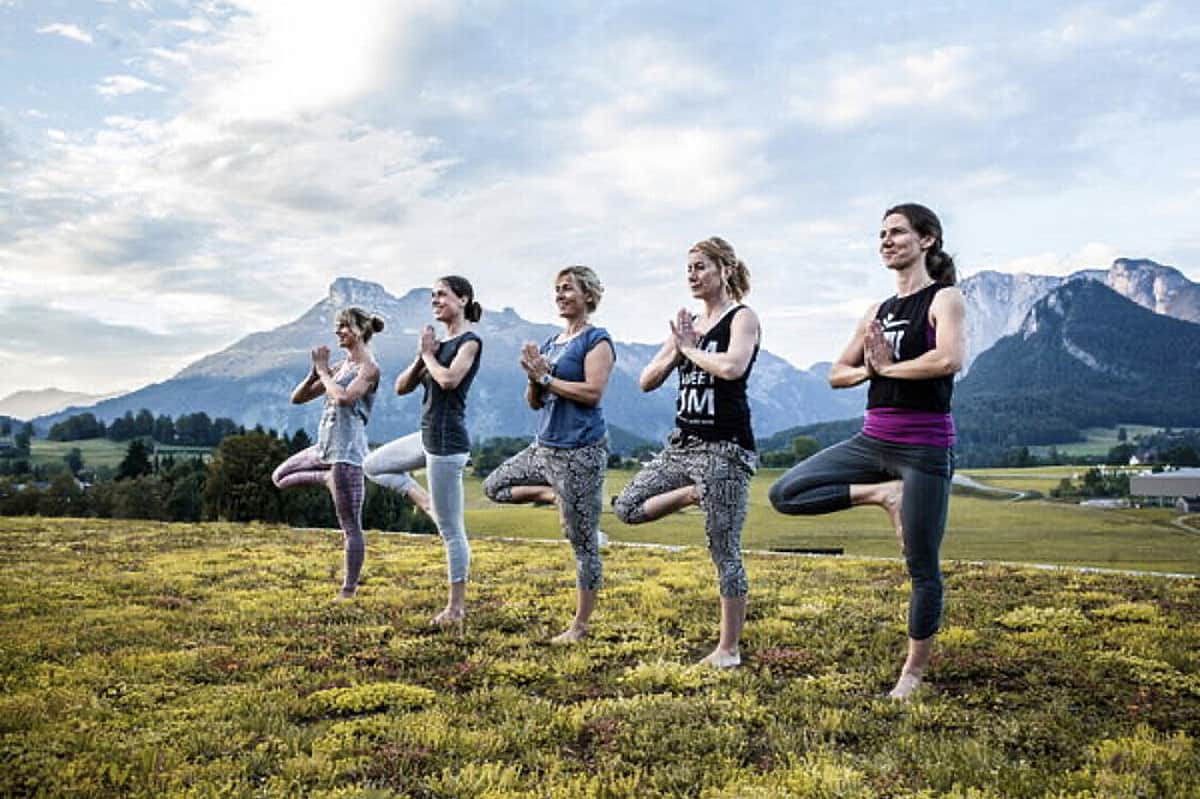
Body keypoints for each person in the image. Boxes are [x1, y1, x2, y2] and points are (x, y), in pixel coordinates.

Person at [767, 203, 966, 700]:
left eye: (897, 232)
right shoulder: (875, 311)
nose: (886, 241)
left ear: (927, 240)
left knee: (921, 564)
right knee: (785, 493)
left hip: (923, 448)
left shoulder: (945, 299)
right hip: (872, 440)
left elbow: (948, 359)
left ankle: (913, 673)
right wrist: (871, 371)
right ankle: (882, 495)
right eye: (881, 234)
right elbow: (838, 373)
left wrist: (888, 368)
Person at [613, 237, 760, 668]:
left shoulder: (742, 318)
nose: (692, 276)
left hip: (725, 450)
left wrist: (690, 350)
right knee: (626, 507)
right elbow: (645, 380)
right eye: (689, 269)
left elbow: (732, 367)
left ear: (725, 270)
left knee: (724, 550)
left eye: (700, 267)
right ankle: (692, 495)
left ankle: (728, 650)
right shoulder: (688, 326)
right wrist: (678, 349)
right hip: (682, 448)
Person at [483, 266, 615, 643]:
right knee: (495, 486)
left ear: (588, 295)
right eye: (557, 289)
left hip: (581, 451)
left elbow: (592, 393)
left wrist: (545, 378)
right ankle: (554, 494)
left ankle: (580, 626)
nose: (560, 295)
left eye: (568, 289)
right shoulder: (550, 342)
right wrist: (532, 377)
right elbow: (534, 402)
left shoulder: (597, 340)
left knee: (582, 541)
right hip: (544, 447)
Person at [363, 277, 483, 627]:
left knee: (450, 531)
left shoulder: (469, 343)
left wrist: (429, 355)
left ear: (462, 299)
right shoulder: (436, 346)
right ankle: (424, 500)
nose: (436, 300)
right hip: (427, 436)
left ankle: (456, 608)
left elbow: (448, 381)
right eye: (433, 296)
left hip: (447, 445)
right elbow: (401, 387)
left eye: (442, 294)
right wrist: (421, 357)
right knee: (374, 464)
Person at [272, 306, 383, 600]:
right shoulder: (339, 367)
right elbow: (297, 399)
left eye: (343, 327)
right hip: (323, 450)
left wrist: (323, 371)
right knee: (280, 477)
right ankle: (325, 479)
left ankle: (348, 591)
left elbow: (345, 398)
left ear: (359, 331)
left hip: (347, 455)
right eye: (337, 327)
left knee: (350, 528)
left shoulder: (369, 368)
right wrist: (313, 375)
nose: (338, 332)